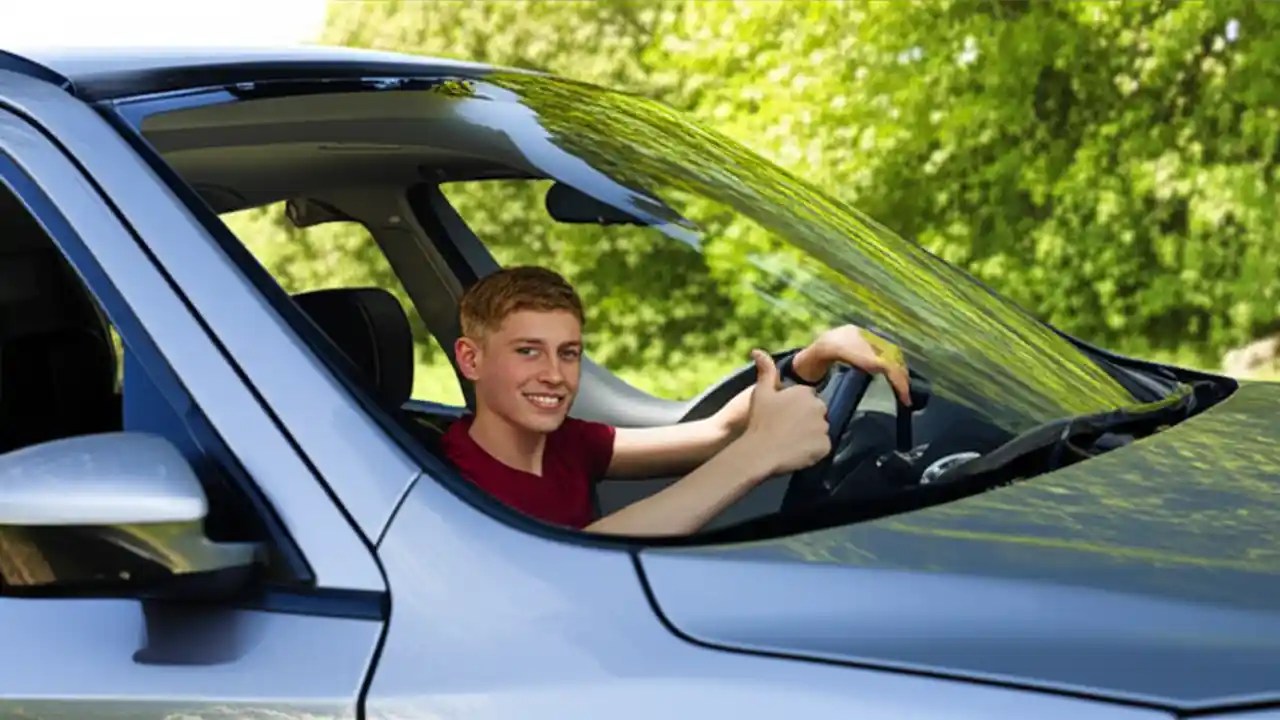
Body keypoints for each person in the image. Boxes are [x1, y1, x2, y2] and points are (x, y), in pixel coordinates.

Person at [441, 266, 911, 536]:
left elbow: (717, 432)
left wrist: (815, 358)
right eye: (527, 352)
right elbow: (581, 555)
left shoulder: (567, 443)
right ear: (471, 359)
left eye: (569, 354)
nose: (554, 375)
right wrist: (758, 455)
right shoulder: (450, 485)